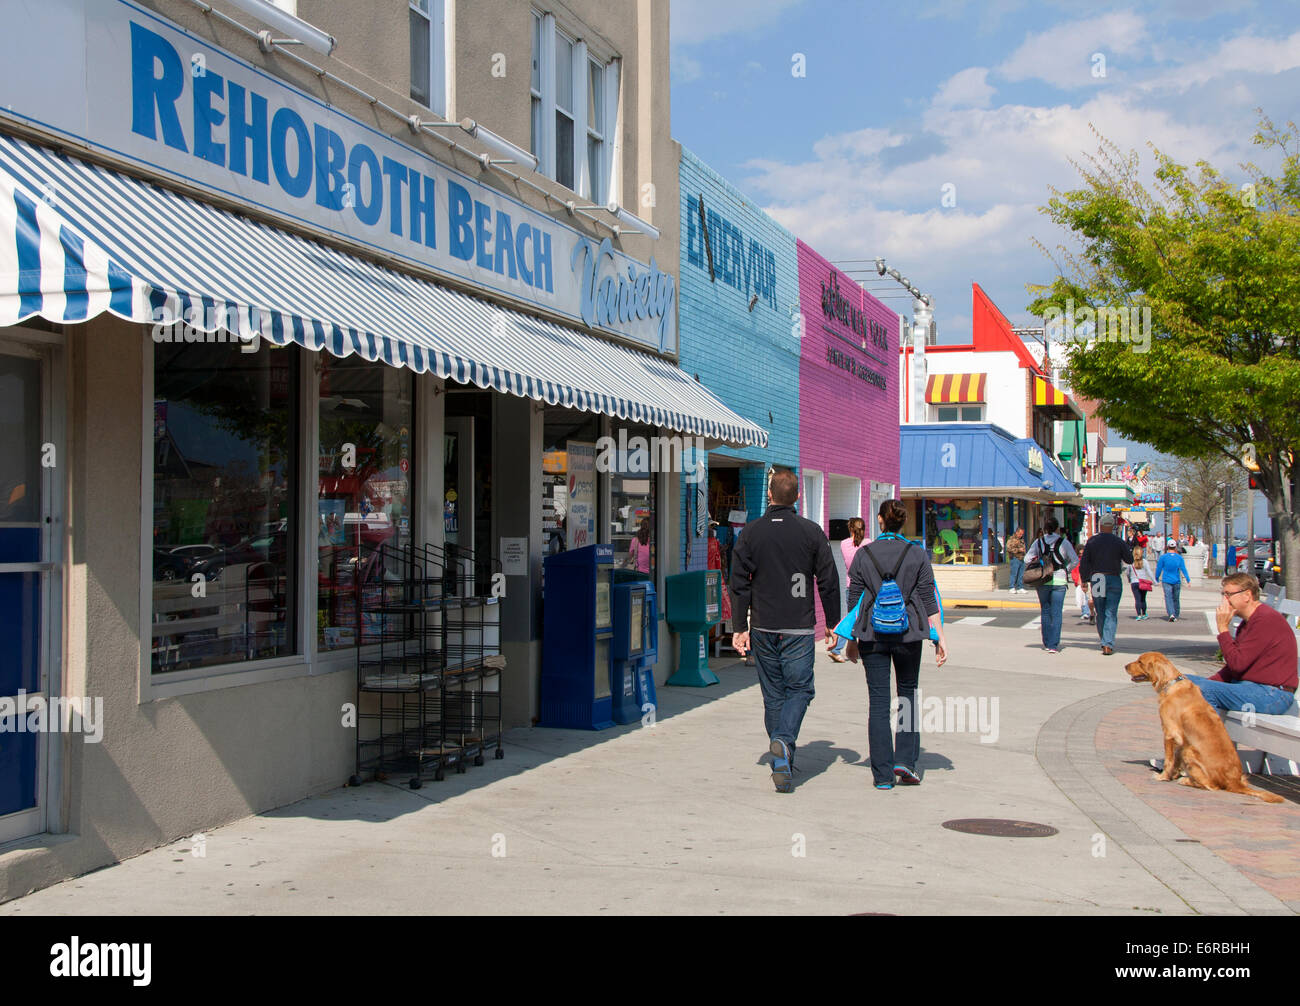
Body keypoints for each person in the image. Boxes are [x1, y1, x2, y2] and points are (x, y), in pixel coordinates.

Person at [730, 470, 840, 794]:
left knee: (774, 695)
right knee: (801, 690)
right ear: (797, 497)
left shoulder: (751, 534)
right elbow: (828, 580)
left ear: (769, 495)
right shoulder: (812, 532)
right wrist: (833, 623)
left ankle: (782, 757)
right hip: (799, 628)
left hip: (763, 626)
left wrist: (739, 627)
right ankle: (783, 742)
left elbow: (738, 583)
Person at [843, 499, 948, 790]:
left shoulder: (864, 554)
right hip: (909, 635)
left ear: (880, 521)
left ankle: (882, 775)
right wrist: (939, 638)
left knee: (878, 703)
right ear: (903, 522)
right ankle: (905, 761)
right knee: (907, 697)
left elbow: (854, 600)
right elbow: (929, 599)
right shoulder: (917, 554)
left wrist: (851, 640)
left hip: (872, 636)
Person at [1185, 572, 1299, 712]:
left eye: (1229, 595)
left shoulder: (1265, 620)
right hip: (1249, 687)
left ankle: (1210, 733)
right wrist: (1208, 681)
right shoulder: (1248, 622)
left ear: (1247, 595)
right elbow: (1233, 669)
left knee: (1204, 690)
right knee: (1182, 683)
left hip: (1272, 694)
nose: (1225, 600)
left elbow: (1237, 664)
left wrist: (1223, 629)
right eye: (1223, 595)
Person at [1024, 516, 1079, 653]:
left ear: (1045, 529)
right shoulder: (1064, 542)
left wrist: (1038, 563)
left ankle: (1047, 641)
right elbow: (1075, 560)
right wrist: (1066, 569)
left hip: (1043, 579)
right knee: (1057, 612)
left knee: (1045, 611)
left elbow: (1027, 559)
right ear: (1056, 529)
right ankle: (1054, 645)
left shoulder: (1039, 542)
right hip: (1059, 579)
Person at [1078, 516, 1131, 656]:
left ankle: (1105, 641)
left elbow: (1084, 563)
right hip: (1113, 577)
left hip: (1098, 577)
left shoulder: (1092, 541)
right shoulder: (1118, 542)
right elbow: (1129, 559)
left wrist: (1084, 579)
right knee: (1111, 612)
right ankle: (1108, 643)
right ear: (1113, 526)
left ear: (1100, 526)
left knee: (1100, 611)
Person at [828, 517, 867, 663]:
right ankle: (837, 647)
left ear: (850, 529)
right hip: (866, 586)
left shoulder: (844, 544)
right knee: (861, 618)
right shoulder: (868, 543)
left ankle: (841, 648)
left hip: (850, 586)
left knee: (852, 617)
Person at [1155, 540, 1190, 621]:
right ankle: (1176, 614)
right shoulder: (1179, 558)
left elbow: (1159, 569)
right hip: (1176, 580)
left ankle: (1171, 613)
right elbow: (1183, 569)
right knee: (1176, 598)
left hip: (1166, 580)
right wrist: (1188, 579)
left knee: (1168, 598)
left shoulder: (1163, 557)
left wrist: (1156, 578)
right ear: (1175, 547)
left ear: (1167, 546)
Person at [1128, 544, 1154, 620]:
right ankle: (1144, 613)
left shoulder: (1131, 562)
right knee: (1143, 599)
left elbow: (1127, 572)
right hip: (1143, 582)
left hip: (1134, 582)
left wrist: (1129, 579)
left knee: (1137, 599)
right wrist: (1154, 581)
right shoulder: (1144, 561)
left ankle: (1138, 614)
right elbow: (1149, 572)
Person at [1006, 528, 1027, 593]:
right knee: (1014, 573)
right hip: (1015, 558)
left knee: (1021, 574)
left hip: (1021, 558)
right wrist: (1018, 550)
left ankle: (1020, 587)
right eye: (1020, 534)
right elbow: (1009, 548)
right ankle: (1011, 587)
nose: (1021, 535)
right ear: (1017, 532)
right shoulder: (1012, 539)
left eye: (1022, 534)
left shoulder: (1021, 539)